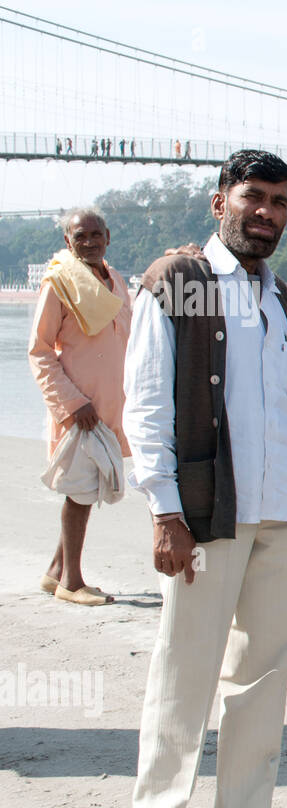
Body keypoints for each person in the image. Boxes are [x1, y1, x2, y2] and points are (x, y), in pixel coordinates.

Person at [125, 150, 287, 808]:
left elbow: (284, 411)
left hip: (277, 509)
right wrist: (164, 511)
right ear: (220, 203)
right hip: (207, 511)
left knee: (265, 671)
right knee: (187, 667)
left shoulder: (279, 297)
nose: (266, 212)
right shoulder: (177, 281)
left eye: (278, 202)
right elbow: (145, 404)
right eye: (253, 198)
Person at [28, 208, 133, 606]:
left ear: (107, 235)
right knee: (80, 494)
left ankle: (55, 570)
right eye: (79, 236)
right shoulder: (58, 283)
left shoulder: (117, 280)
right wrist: (72, 404)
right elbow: (39, 352)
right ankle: (71, 582)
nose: (88, 242)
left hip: (110, 407)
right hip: (81, 412)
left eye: (95, 234)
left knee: (86, 490)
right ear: (68, 242)